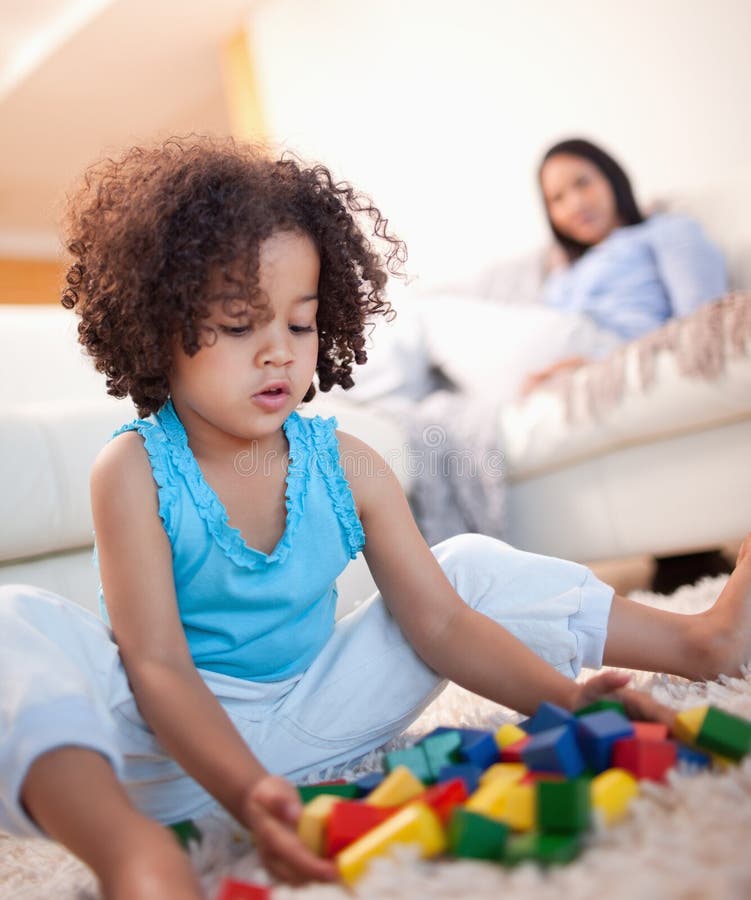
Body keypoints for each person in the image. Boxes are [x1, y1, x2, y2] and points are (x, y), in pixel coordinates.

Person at [0, 136, 749, 900]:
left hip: (317, 723)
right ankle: (133, 857)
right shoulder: (131, 470)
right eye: (236, 324)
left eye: (299, 324)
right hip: (162, 759)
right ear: (158, 327)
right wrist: (244, 788)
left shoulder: (349, 461)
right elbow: (155, 665)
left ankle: (698, 640)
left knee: (463, 567)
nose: (277, 355)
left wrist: (563, 702)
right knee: (10, 619)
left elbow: (442, 626)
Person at [521, 137, 727, 394]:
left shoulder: (667, 231)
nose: (576, 204)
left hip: (619, 361)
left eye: (582, 183)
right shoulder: (559, 279)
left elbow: (703, 323)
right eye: (557, 198)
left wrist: (595, 363)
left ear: (611, 178)